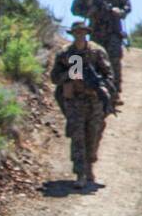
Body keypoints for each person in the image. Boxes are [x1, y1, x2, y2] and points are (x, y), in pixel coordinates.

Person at [49, 22, 115, 189]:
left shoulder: (97, 51)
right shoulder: (66, 53)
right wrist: (70, 75)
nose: (79, 35)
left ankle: (90, 165)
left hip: (93, 100)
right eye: (76, 33)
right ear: (73, 34)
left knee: (93, 133)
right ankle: (80, 173)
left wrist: (101, 86)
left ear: (86, 33)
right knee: (77, 134)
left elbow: (109, 75)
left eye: (82, 32)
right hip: (74, 101)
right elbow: (54, 78)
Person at [71, 0, 131, 96]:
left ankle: (114, 93)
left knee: (114, 60)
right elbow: (74, 9)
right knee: (95, 60)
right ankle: (97, 91)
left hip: (113, 31)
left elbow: (127, 6)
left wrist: (118, 11)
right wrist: (89, 12)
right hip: (94, 31)